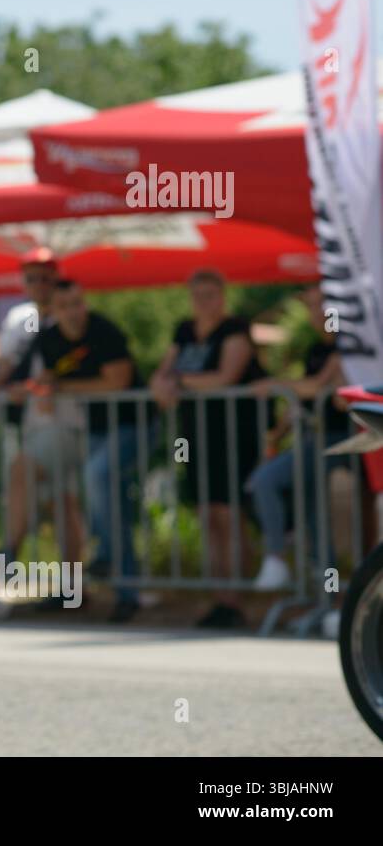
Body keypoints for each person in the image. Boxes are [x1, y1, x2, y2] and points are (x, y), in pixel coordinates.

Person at [150, 269, 265, 629]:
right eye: (198, 294)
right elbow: (161, 374)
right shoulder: (184, 330)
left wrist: (178, 382)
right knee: (207, 516)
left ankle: (237, 600)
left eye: (211, 294)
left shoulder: (235, 330)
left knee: (229, 517)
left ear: (223, 296)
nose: (204, 302)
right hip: (194, 435)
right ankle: (219, 597)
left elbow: (225, 377)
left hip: (233, 435)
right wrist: (163, 383)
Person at [32, 280, 144, 621]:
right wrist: (44, 388)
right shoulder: (48, 339)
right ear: (53, 310)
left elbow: (118, 381)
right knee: (106, 499)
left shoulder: (104, 330)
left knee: (98, 478)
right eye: (65, 305)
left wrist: (61, 387)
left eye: (78, 303)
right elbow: (47, 386)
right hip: (95, 427)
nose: (74, 312)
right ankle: (121, 589)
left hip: (131, 423)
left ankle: (107, 556)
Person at [0, 248, 84, 568]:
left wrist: (28, 388)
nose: (39, 284)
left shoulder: (68, 316)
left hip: (65, 419)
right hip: (35, 418)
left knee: (22, 471)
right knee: (62, 502)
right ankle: (72, 587)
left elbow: (62, 370)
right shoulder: (20, 318)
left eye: (46, 278)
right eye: (32, 278)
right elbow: (6, 362)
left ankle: (9, 552)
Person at [246, 284, 351, 589]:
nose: (317, 313)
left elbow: (319, 388)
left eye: (323, 305)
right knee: (310, 513)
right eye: (312, 306)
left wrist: (275, 383)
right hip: (315, 442)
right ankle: (326, 596)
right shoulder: (316, 349)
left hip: (343, 441)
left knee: (269, 482)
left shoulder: (348, 346)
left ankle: (277, 557)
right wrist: (275, 435)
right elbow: (303, 401)